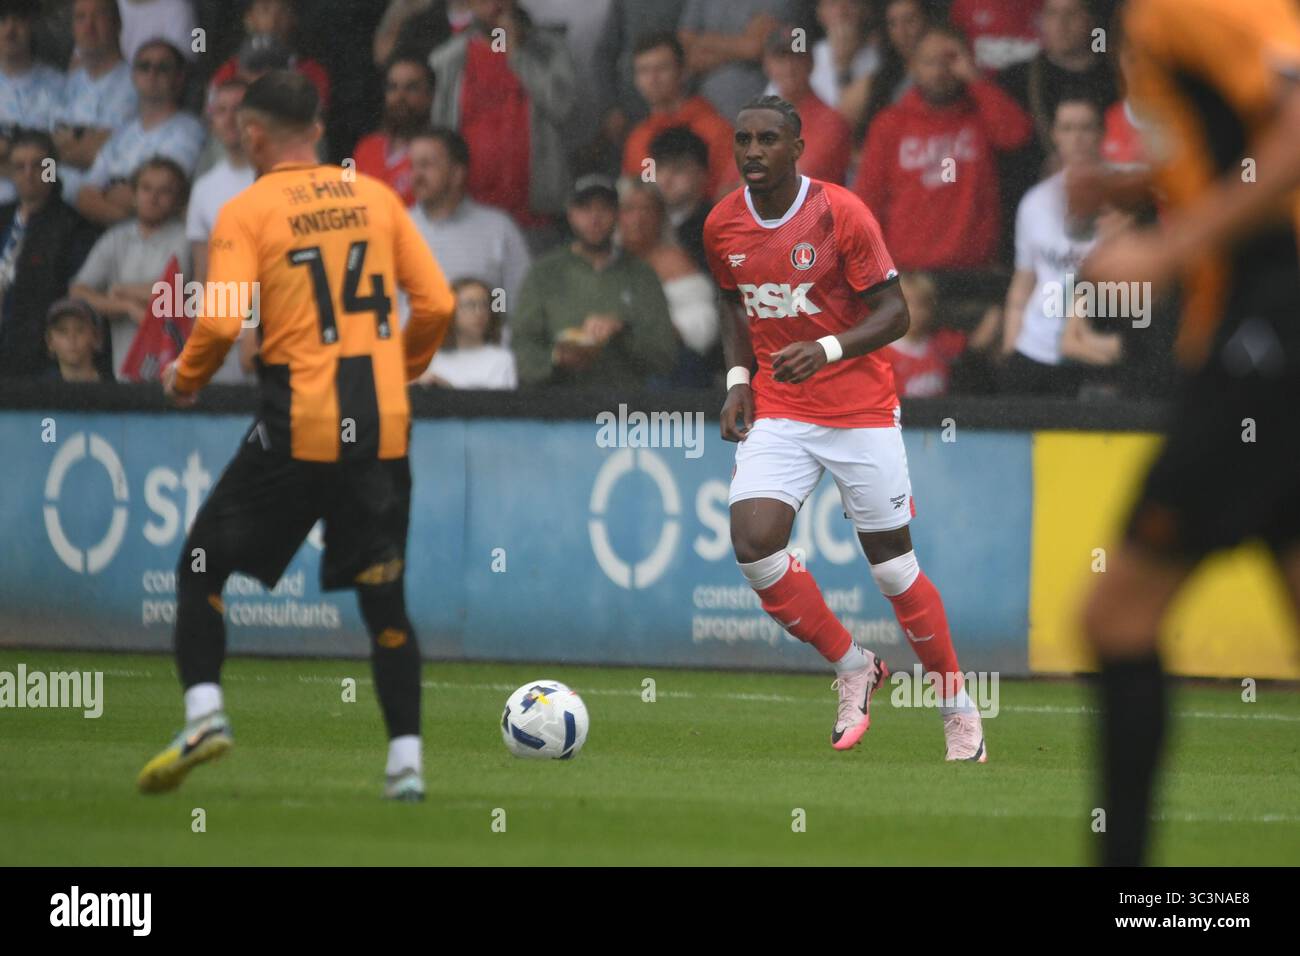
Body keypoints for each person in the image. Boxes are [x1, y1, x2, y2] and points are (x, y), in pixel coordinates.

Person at [138, 71, 456, 802]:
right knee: (384, 599)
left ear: (251, 133)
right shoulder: (377, 196)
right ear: (316, 126)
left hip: (295, 424)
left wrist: (185, 379)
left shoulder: (247, 212)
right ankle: (406, 765)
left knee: (198, 568)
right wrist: (395, 374)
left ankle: (205, 715)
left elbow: (218, 323)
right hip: (379, 429)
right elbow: (435, 303)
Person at [1076, 0, 1300, 867]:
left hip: (1268, 328)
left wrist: (1168, 255)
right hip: (1261, 326)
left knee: (1119, 615)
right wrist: (1135, 189)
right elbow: (1242, 151)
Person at [706, 94, 986, 760]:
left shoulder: (840, 213)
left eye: (768, 138)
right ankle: (852, 662)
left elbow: (895, 315)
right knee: (754, 542)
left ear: (798, 148)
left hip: (860, 409)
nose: (753, 151)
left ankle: (957, 707)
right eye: (743, 139)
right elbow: (731, 305)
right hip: (781, 405)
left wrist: (828, 347)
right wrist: (739, 382)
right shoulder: (721, 223)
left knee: (893, 569)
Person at [854, 26, 1032, 272]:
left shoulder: (981, 112)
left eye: (949, 60)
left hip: (976, 268)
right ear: (913, 66)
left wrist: (976, 80)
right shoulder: (890, 123)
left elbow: (1016, 135)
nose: (939, 71)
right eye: (929, 62)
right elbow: (868, 198)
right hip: (909, 272)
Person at [512, 174, 677, 387]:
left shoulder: (641, 274)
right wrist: (557, 358)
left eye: (604, 208)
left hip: (625, 410)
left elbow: (665, 358)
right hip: (557, 408)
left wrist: (621, 330)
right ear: (570, 214)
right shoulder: (544, 273)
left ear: (617, 214)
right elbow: (522, 349)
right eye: (585, 208)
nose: (595, 218)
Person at [1000, 97, 1105, 395]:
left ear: (1101, 133)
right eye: (1068, 129)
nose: (1077, 138)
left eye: (1086, 128)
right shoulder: (1035, 202)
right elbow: (1023, 283)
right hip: (1034, 349)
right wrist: (1011, 349)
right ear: (1055, 135)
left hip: (1096, 352)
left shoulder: (1123, 200)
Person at [70, 155, 191, 380]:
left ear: (178, 200)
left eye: (164, 191)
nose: (153, 198)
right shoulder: (115, 238)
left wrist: (120, 289)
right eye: (146, 188)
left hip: (175, 372)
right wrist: (125, 306)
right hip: (124, 372)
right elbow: (78, 292)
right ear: (133, 194)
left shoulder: (187, 238)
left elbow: (174, 293)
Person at [74, 38, 204, 226]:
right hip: (114, 231)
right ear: (133, 76)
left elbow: (159, 195)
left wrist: (108, 195)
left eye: (163, 67)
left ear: (179, 77)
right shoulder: (123, 131)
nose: (152, 73)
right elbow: (84, 196)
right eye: (145, 66)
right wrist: (126, 221)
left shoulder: (190, 130)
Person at [0, 130, 98, 379]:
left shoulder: (73, 227)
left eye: (39, 166)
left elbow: (74, 296)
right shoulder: (3, 217)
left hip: (39, 355)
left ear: (52, 169)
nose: (29, 174)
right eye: (19, 167)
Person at [406, 126, 530, 313]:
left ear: (457, 174)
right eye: (412, 166)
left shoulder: (498, 230)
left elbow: (515, 304)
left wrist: (497, 331)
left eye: (426, 165)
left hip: (479, 342)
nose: (416, 176)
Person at [617, 178, 717, 384]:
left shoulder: (675, 261)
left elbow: (704, 320)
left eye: (647, 209)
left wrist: (664, 332)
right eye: (629, 209)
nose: (638, 218)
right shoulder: (600, 260)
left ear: (660, 217)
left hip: (669, 364)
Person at [621, 31, 736, 200]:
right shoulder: (637, 139)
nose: (652, 79)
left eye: (662, 68)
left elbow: (730, 193)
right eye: (643, 71)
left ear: (683, 72)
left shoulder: (717, 130)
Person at [52, 0, 136, 202]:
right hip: (52, 202)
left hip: (102, 203)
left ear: (118, 24)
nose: (89, 26)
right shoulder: (66, 84)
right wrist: (89, 139)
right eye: (81, 18)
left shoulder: (138, 83)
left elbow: (115, 155)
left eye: (99, 16)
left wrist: (61, 148)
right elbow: (45, 144)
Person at [353, 56, 434, 207]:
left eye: (411, 88)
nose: (400, 96)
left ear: (429, 96)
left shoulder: (438, 155)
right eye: (392, 88)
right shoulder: (366, 147)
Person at [880, 271, 970, 398]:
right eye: (907, 303)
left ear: (931, 308)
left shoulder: (943, 343)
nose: (914, 312)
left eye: (921, 305)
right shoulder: (880, 354)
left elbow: (975, 346)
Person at [418, 276, 516, 388]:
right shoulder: (432, 360)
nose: (479, 312)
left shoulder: (502, 359)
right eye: (470, 305)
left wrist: (449, 391)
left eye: (484, 305)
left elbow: (498, 403)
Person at [43, 296, 103, 381]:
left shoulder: (114, 388)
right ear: (49, 341)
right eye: (62, 331)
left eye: (80, 329)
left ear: (96, 337)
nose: (71, 338)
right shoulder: (40, 391)